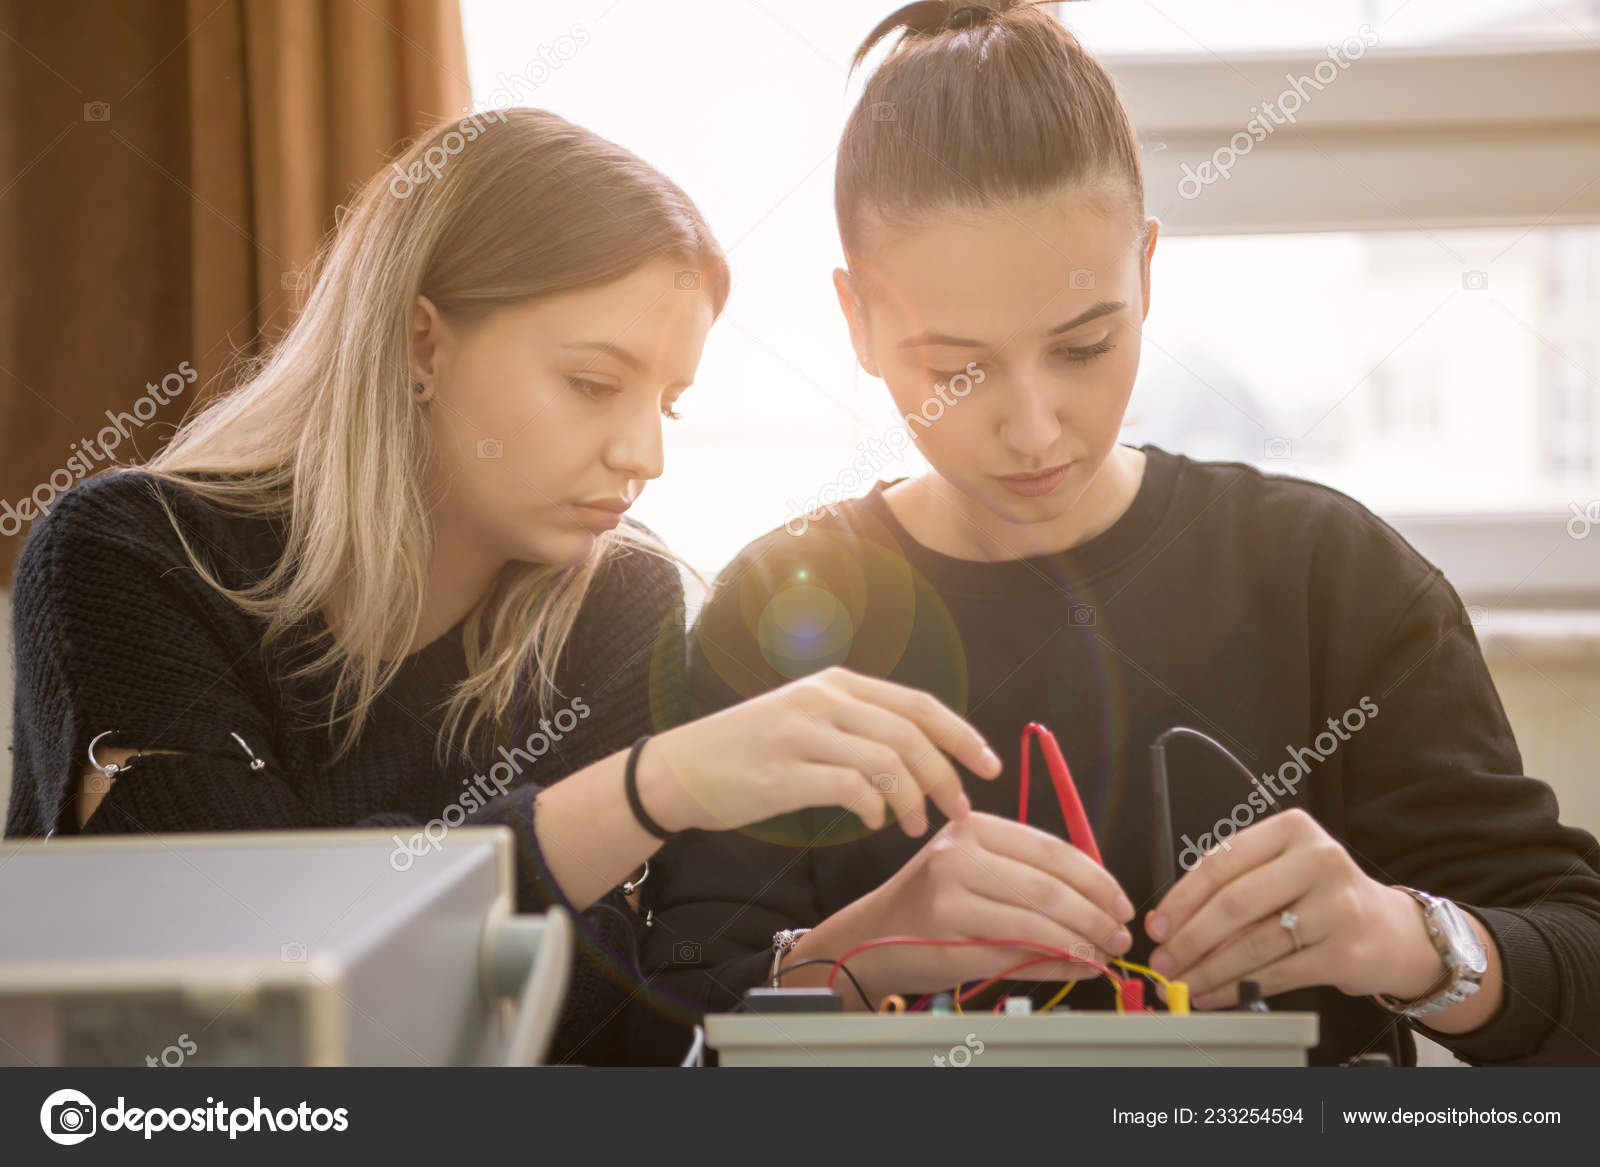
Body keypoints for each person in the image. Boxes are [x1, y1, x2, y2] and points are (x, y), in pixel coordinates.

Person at [640, 0, 1600, 1066]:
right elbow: (664, 1032)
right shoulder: (780, 609)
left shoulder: (1328, 577)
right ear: (857, 319)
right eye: (955, 366)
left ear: (1144, 273)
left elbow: (1579, 972)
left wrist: (1406, 940)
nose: (1033, 427)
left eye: (1084, 346)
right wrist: (852, 955)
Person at [4, 108, 1004, 1066]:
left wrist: (851, 953)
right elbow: (242, 966)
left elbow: (594, 1032)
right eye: (592, 383)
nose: (643, 451)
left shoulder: (617, 604)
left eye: (669, 402)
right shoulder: (126, 555)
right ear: (422, 342)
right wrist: (650, 789)